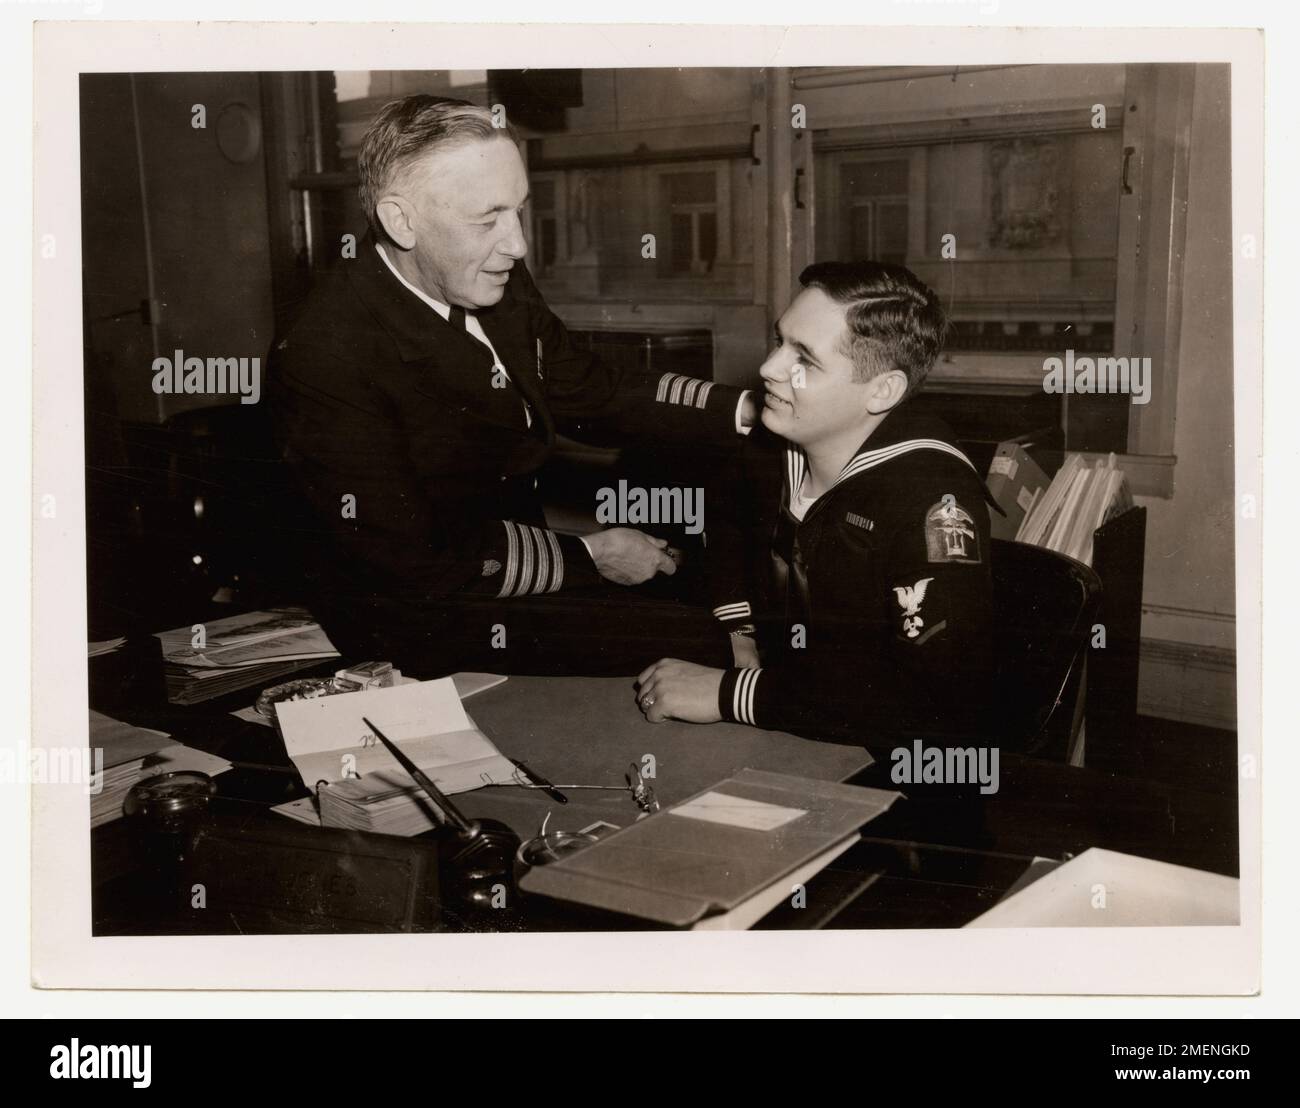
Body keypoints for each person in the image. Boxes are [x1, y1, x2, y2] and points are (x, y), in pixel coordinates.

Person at [269, 96, 757, 676]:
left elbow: (586, 384)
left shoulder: (487, 273)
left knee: (719, 608)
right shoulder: (325, 350)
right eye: (489, 218)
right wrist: (590, 555)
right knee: (697, 645)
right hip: (417, 613)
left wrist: (750, 409)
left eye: (518, 211)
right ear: (401, 220)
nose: (518, 244)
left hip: (513, 567)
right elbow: (412, 557)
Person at [634, 261, 998, 748]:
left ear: (882, 390)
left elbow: (933, 701)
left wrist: (731, 693)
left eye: (804, 359)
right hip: (788, 722)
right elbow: (728, 525)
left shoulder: (931, 501)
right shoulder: (770, 447)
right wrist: (739, 627)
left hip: (887, 765)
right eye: (779, 341)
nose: (769, 368)